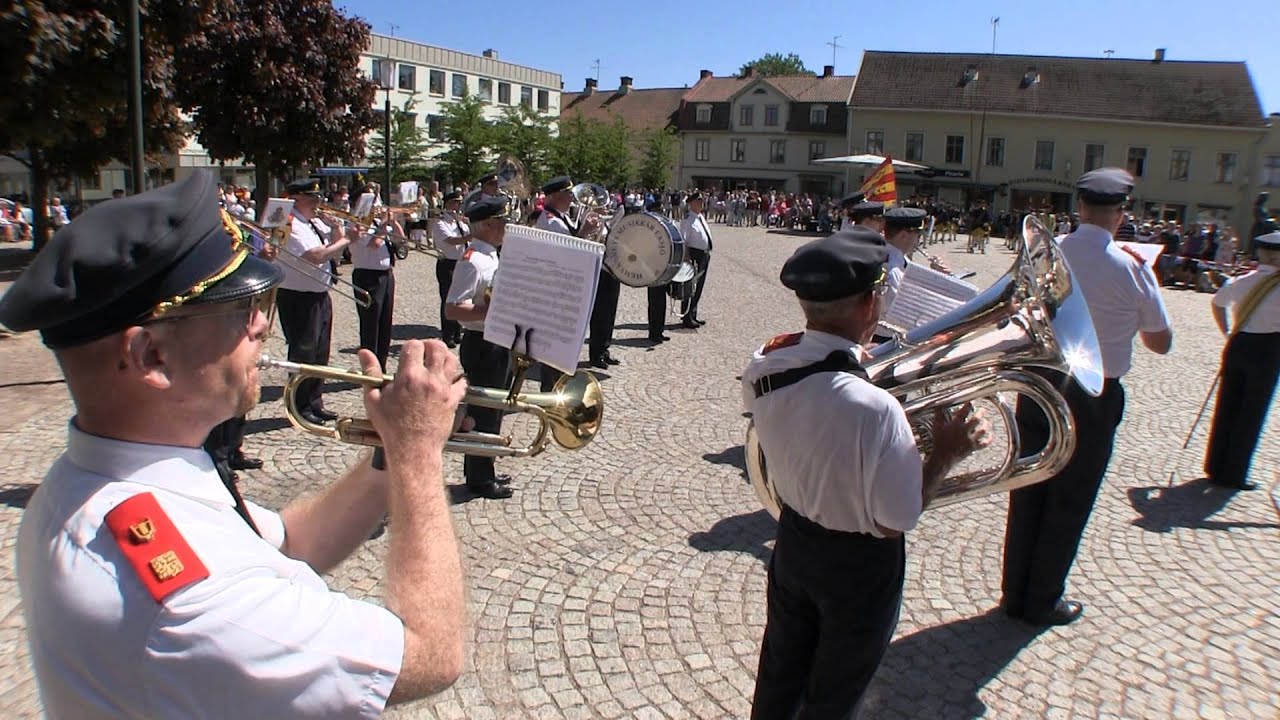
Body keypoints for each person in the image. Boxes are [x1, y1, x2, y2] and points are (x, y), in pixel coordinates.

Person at [0, 171, 468, 717]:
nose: (261, 327)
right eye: (238, 311)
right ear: (150, 356)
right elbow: (431, 654)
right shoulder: (191, 598)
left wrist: (389, 451)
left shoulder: (111, 482)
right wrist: (418, 455)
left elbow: (290, 543)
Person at [742, 226, 990, 719]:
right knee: (836, 694)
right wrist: (943, 453)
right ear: (870, 305)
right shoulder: (876, 409)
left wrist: (856, 362)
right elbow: (893, 520)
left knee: (780, 675)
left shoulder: (764, 364)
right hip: (859, 567)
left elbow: (818, 391)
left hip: (794, 541)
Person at [1001, 168, 1172, 626]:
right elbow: (1161, 342)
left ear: (1080, 208)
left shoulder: (1043, 255)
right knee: (1070, 498)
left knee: (1028, 487)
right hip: (1094, 395)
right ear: (1121, 214)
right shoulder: (1132, 266)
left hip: (1039, 382)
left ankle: (1014, 593)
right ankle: (1042, 600)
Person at [446, 196, 515, 500]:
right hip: (481, 343)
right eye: (502, 221)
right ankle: (479, 480)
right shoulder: (471, 260)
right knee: (482, 412)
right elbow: (452, 309)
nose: (506, 227)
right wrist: (488, 310)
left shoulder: (492, 256)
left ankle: (483, 467)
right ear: (488, 224)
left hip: (497, 340)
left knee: (493, 411)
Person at [1202, 229, 1280, 491]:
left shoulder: (1243, 280)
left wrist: (1226, 331)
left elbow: (1217, 303)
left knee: (1227, 405)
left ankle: (1214, 466)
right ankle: (1234, 474)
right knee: (1251, 412)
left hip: (1238, 342)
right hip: (1267, 348)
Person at [276, 178, 351, 425]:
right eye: (312, 197)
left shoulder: (314, 222)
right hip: (298, 296)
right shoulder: (289, 223)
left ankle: (315, 401)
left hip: (319, 293)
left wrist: (339, 230)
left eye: (318, 197)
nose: (318, 201)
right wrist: (346, 239)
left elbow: (334, 251)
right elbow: (314, 256)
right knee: (303, 352)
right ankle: (299, 406)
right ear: (296, 198)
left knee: (320, 352)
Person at [535, 177, 608, 370]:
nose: (572, 199)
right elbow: (568, 252)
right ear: (554, 196)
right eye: (568, 194)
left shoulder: (561, 216)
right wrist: (585, 232)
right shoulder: (552, 222)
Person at [350, 189, 401, 371]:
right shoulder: (355, 225)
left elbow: (401, 240)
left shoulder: (377, 223)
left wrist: (393, 224)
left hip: (386, 275)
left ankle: (383, 365)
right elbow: (374, 244)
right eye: (372, 202)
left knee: (385, 323)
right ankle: (370, 367)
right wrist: (383, 226)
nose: (376, 207)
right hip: (367, 276)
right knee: (370, 324)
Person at [431, 190, 469, 347]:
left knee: (460, 298)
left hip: (461, 262)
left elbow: (468, 236)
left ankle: (457, 330)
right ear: (446, 204)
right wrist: (470, 236)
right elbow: (451, 241)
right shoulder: (440, 223)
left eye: (459, 203)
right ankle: (447, 334)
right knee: (448, 299)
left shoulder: (460, 223)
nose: (457, 206)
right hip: (448, 263)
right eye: (454, 202)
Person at [678, 192, 713, 329]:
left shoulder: (700, 217)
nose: (701, 204)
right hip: (694, 255)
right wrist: (687, 258)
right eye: (698, 202)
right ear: (691, 204)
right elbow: (683, 240)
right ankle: (686, 316)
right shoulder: (687, 220)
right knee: (690, 286)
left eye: (702, 201)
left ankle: (693, 314)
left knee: (698, 287)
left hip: (704, 254)